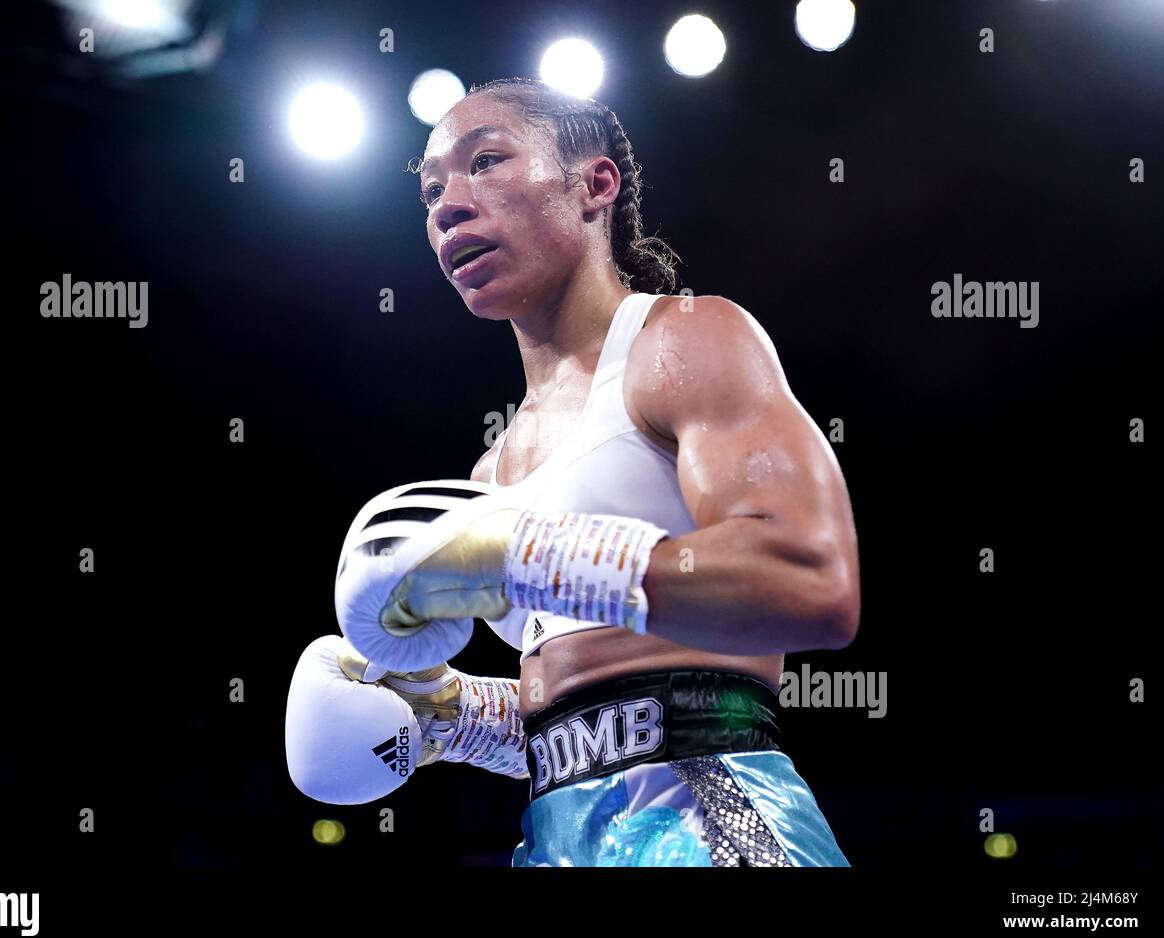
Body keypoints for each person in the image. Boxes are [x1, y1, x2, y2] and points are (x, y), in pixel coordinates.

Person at [287, 77, 860, 867]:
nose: (448, 204)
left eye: (485, 161)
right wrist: (451, 716)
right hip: (555, 836)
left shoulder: (684, 342)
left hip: (708, 816)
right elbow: (594, 706)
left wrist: (525, 555)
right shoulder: (490, 474)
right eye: (430, 190)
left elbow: (813, 582)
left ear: (595, 184)